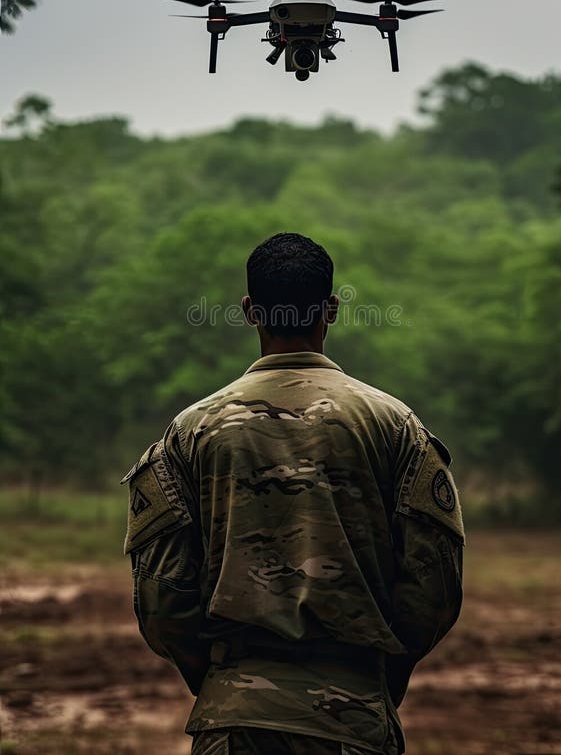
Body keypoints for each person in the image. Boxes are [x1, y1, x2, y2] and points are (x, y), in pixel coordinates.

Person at [122, 232, 464, 755]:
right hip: (354, 723)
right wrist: (372, 678)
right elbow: (433, 585)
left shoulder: (191, 430)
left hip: (234, 723)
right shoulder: (393, 426)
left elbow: (163, 596)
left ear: (248, 311)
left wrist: (225, 682)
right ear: (332, 308)